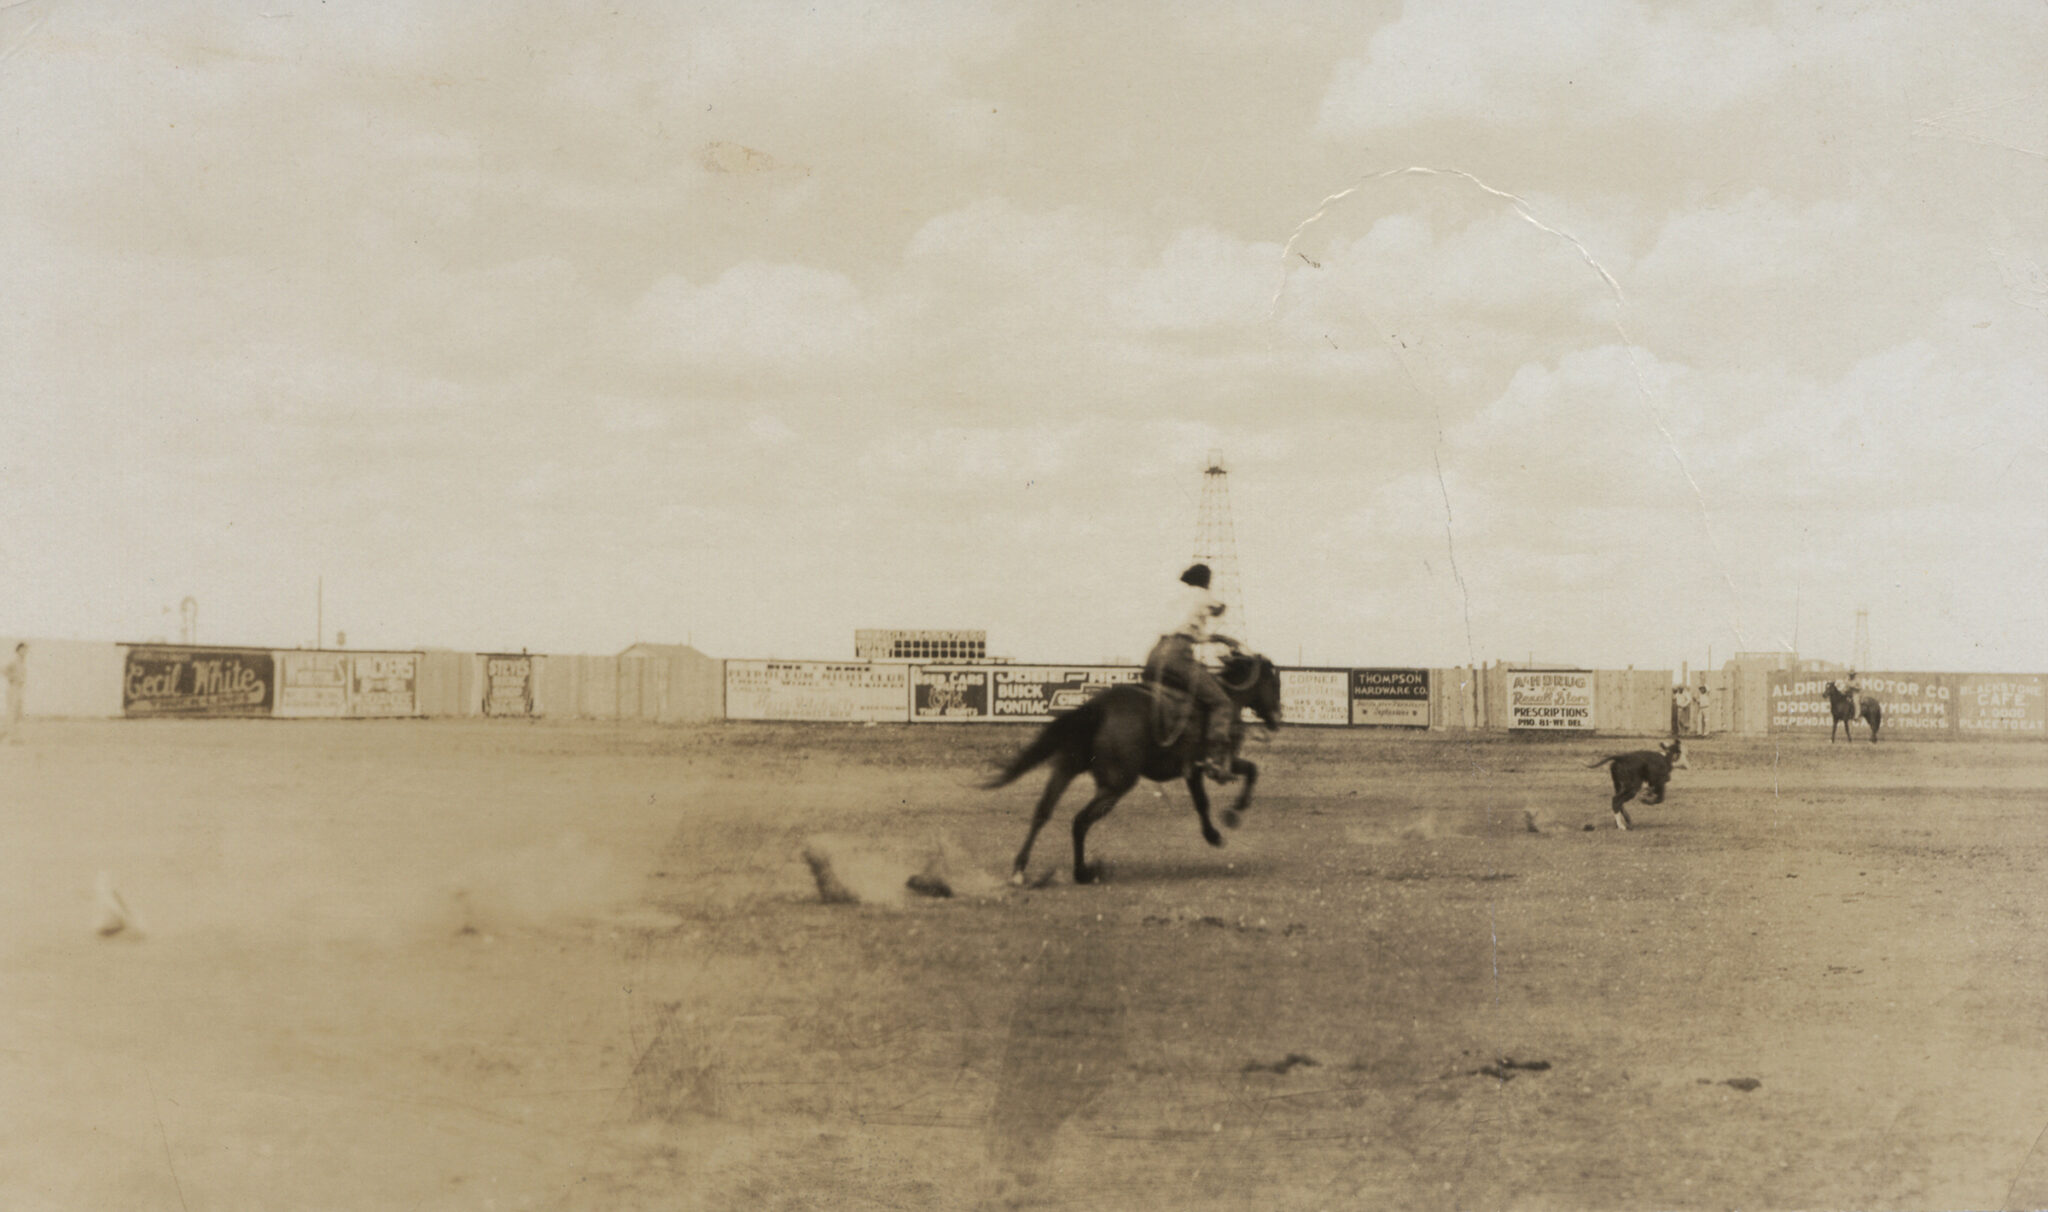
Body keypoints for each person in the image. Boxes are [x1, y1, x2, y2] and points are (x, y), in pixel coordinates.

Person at [1143, 564, 1241, 783]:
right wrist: (1221, 614)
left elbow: (1194, 632)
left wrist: (1218, 638)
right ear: (1205, 580)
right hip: (1178, 655)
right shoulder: (1203, 595)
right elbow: (1218, 609)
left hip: (1155, 654)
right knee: (1221, 702)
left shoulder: (1177, 597)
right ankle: (1214, 760)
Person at [3, 643, 24, 741]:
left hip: (19, 689)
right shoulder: (14, 661)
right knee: (12, 713)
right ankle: (9, 737)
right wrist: (11, 678)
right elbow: (3, 670)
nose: (25, 652)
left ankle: (14, 736)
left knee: (18, 713)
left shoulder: (22, 662)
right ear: (18, 650)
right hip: (13, 689)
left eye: (26, 650)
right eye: (23, 650)